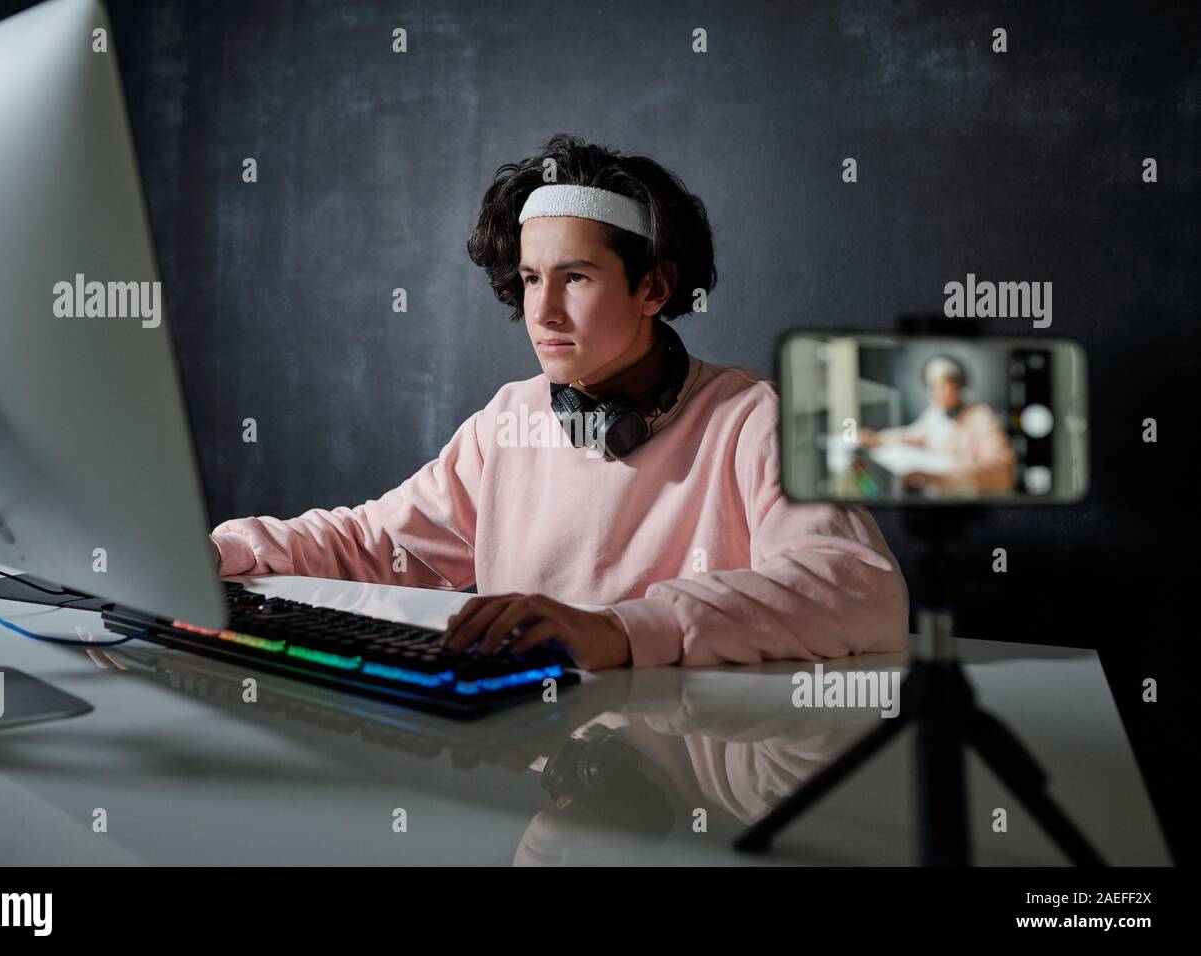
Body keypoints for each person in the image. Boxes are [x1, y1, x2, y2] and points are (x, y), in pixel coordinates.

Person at [210, 134, 909, 670]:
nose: (540, 311)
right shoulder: (510, 419)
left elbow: (855, 588)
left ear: (655, 288)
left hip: (698, 781)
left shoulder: (761, 418)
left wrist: (621, 628)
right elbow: (377, 544)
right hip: (533, 755)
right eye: (530, 277)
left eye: (575, 277)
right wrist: (220, 550)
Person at [859, 355, 1016, 494]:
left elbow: (1000, 470)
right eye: (931, 386)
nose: (936, 392)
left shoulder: (982, 416)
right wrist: (878, 439)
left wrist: (937, 478)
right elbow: (912, 435)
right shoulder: (934, 414)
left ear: (959, 385)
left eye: (943, 385)